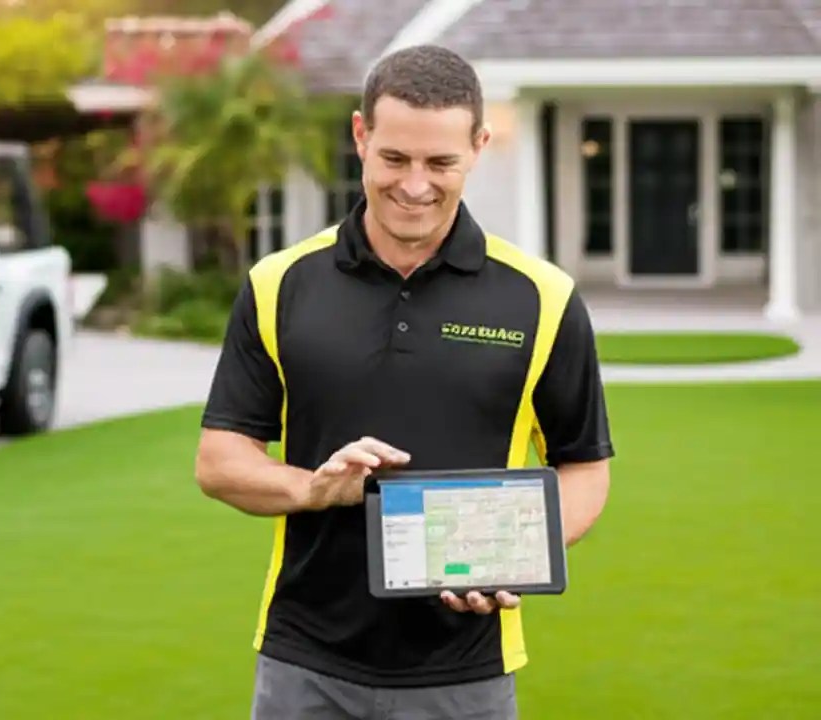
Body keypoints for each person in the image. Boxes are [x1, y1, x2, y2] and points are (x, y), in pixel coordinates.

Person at [194, 44, 614, 720]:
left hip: (466, 673)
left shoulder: (543, 298)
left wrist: (507, 554)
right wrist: (312, 487)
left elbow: (585, 470)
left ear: (478, 146)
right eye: (394, 159)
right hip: (305, 662)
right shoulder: (279, 285)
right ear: (361, 135)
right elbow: (219, 462)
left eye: (441, 163)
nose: (415, 185)